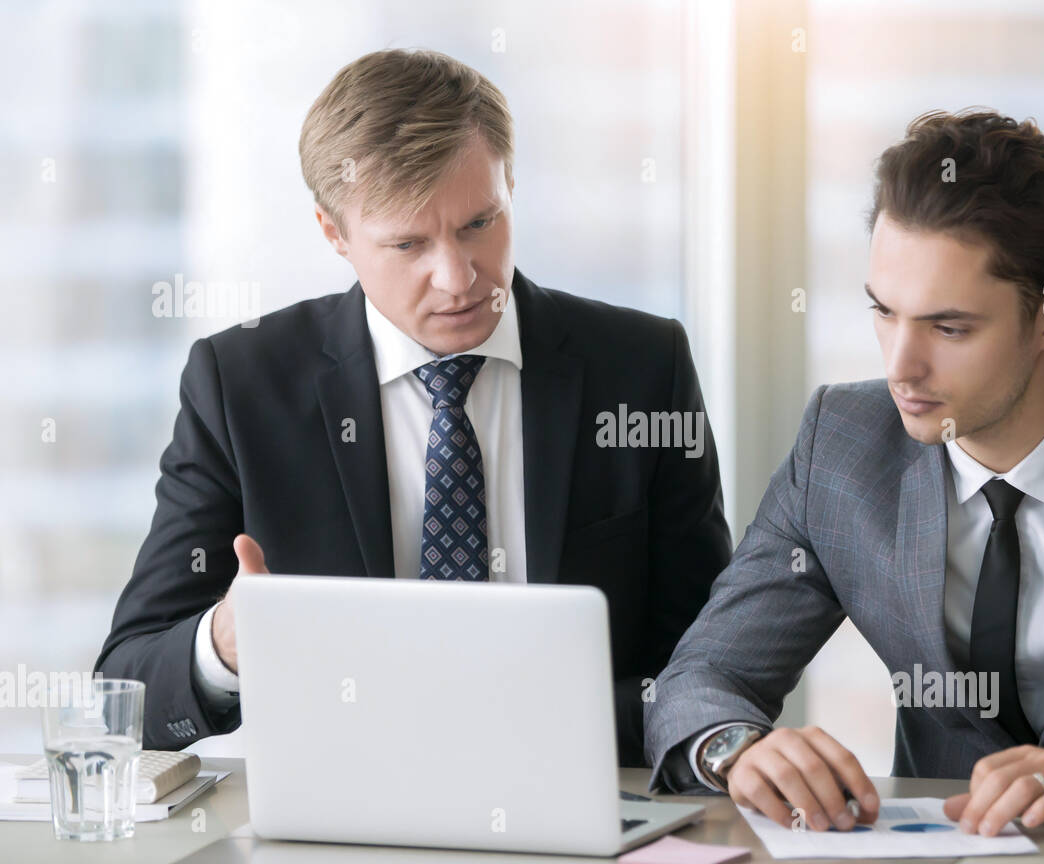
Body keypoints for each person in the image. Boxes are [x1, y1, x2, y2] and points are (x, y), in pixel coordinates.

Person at [646, 109, 1044, 833]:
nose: (900, 366)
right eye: (885, 313)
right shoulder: (842, 444)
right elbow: (702, 678)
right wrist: (736, 749)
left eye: (949, 328)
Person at [97, 49, 731, 765]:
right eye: (407, 243)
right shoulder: (241, 385)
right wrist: (226, 642)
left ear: (511, 187)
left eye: (479, 224)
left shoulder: (642, 367)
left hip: (585, 796)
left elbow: (714, 658)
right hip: (338, 820)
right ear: (333, 233)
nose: (457, 278)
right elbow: (126, 687)